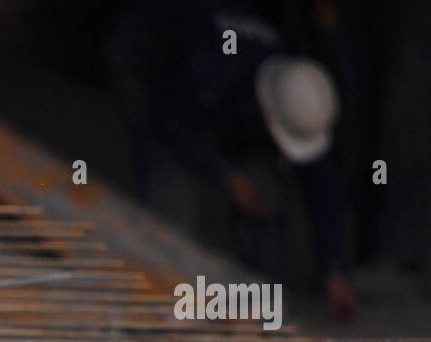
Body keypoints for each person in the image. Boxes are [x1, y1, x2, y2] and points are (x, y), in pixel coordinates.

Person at [109, 0, 358, 321]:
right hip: (148, 61)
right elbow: (170, 125)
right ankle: (161, 301)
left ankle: (254, 295)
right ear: (267, 114)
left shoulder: (295, 91)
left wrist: (335, 272)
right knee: (170, 196)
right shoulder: (210, 68)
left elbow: (323, 187)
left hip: (216, 96)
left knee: (264, 189)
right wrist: (225, 174)